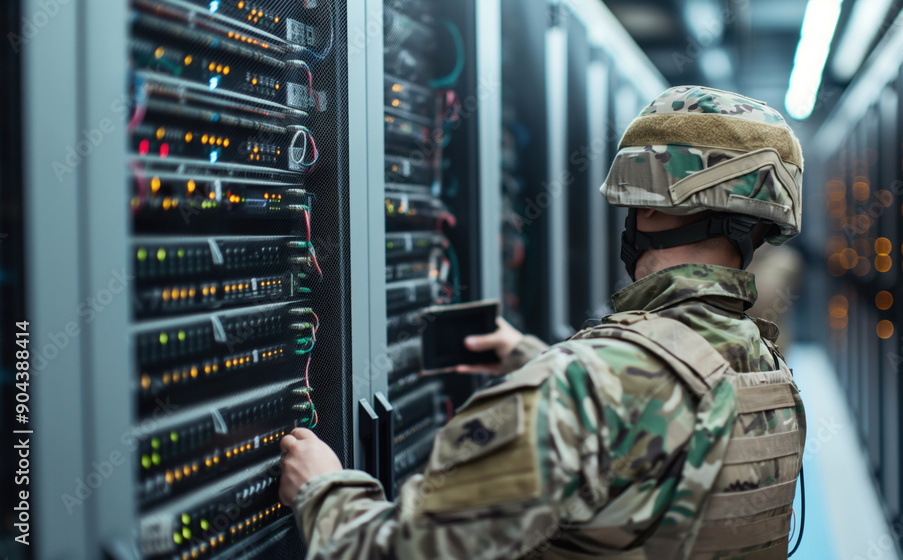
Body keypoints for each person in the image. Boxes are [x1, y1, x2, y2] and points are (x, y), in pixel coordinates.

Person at [279, 85, 807, 559]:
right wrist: (532, 359)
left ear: (646, 207)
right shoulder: (768, 372)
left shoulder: (578, 386)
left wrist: (322, 491)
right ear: (759, 228)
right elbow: (653, 416)